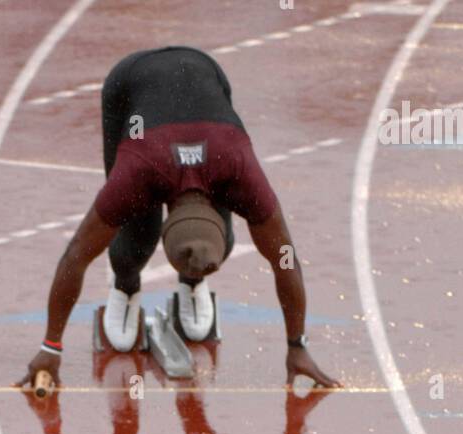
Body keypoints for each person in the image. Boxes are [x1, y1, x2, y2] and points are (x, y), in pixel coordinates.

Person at [19, 45, 339, 390]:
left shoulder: (238, 171)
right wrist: (49, 347)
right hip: (130, 82)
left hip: (206, 71)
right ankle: (125, 285)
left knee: (222, 244)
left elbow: (285, 258)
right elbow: (78, 253)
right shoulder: (138, 172)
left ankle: (193, 280)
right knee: (137, 238)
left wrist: (298, 346)